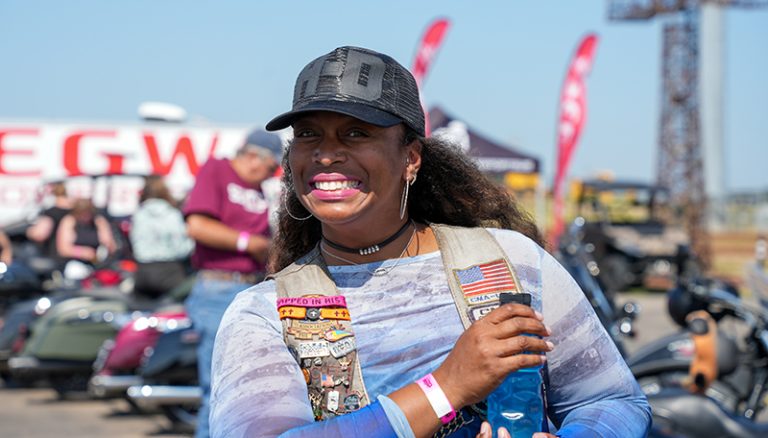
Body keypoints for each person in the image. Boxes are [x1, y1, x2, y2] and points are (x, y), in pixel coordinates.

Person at [209, 46, 651, 438]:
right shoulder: (264, 312)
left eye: (356, 133)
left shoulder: (511, 262)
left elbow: (613, 402)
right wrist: (447, 387)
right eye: (308, 135)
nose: (326, 154)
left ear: (411, 158)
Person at [182, 128, 284, 438]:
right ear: (255, 157)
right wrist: (249, 243)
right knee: (219, 390)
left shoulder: (256, 190)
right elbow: (196, 226)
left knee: (245, 389)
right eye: (268, 169)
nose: (267, 176)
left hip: (246, 287)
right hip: (219, 288)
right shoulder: (217, 169)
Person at [129, 175, 193, 299]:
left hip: (142, 274)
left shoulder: (139, 214)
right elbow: (181, 249)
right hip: (169, 273)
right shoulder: (172, 214)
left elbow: (134, 243)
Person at [56, 198, 117, 266]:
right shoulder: (69, 221)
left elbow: (112, 246)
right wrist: (83, 252)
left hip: (98, 262)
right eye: (82, 213)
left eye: (88, 213)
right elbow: (63, 249)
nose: (85, 216)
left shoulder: (98, 221)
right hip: (74, 263)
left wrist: (107, 243)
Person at [26, 181, 73, 260]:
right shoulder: (74, 210)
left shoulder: (51, 212)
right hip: (75, 255)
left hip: (55, 256)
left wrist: (29, 231)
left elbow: (40, 234)